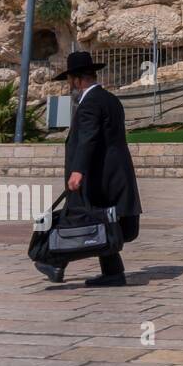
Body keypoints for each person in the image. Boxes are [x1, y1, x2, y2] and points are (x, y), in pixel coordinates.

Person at [35, 51, 142, 286]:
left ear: (75, 78)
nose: (69, 85)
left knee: (77, 219)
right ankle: (113, 274)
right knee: (101, 222)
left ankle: (54, 261)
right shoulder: (110, 99)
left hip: (97, 177)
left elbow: (88, 138)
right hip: (113, 175)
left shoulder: (90, 103)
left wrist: (78, 171)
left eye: (69, 80)